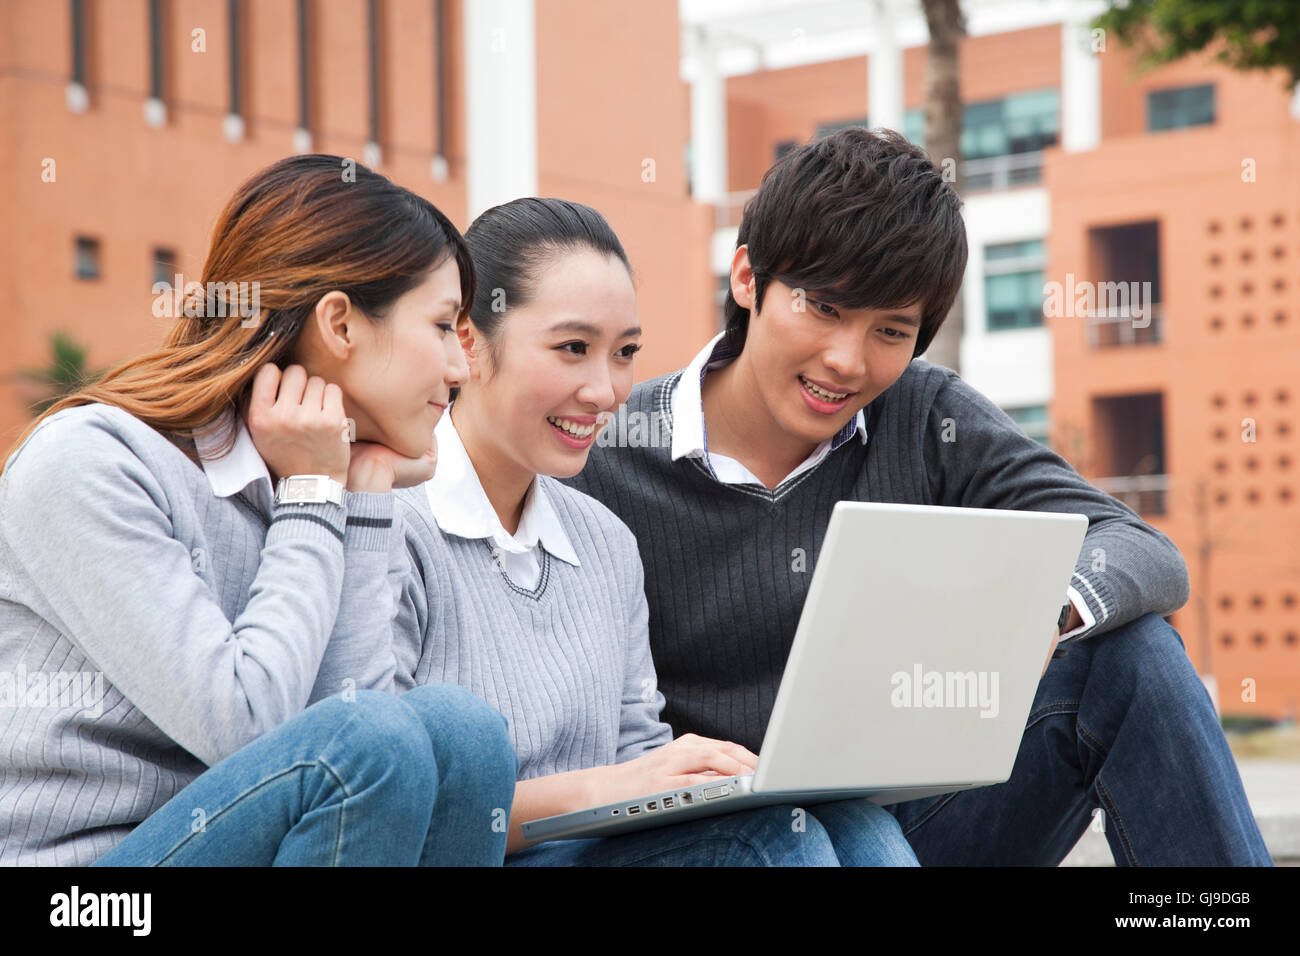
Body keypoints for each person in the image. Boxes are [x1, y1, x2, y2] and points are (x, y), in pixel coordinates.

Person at [561, 127, 1272, 866]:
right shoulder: (606, 451)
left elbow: (1143, 550)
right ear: (748, 278)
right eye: (824, 308)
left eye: (890, 330)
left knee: (1131, 653)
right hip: (711, 841)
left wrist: (1047, 611)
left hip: (903, 829)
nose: (846, 360)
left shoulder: (924, 416)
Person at [0, 155, 516, 866]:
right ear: (339, 324)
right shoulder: (92, 464)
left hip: (240, 842)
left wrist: (360, 492)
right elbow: (246, 728)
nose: (460, 370)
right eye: (440, 326)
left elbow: (360, 729)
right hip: (86, 892)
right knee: (372, 741)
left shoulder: (333, 475)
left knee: (462, 734)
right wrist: (311, 495)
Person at [390, 197, 918, 866]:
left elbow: (636, 754)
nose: (606, 390)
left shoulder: (603, 540)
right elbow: (393, 804)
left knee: (851, 824)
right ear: (467, 340)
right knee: (765, 843)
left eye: (625, 353)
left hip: (599, 853)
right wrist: (615, 787)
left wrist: (699, 782)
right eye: (573, 349)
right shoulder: (388, 522)